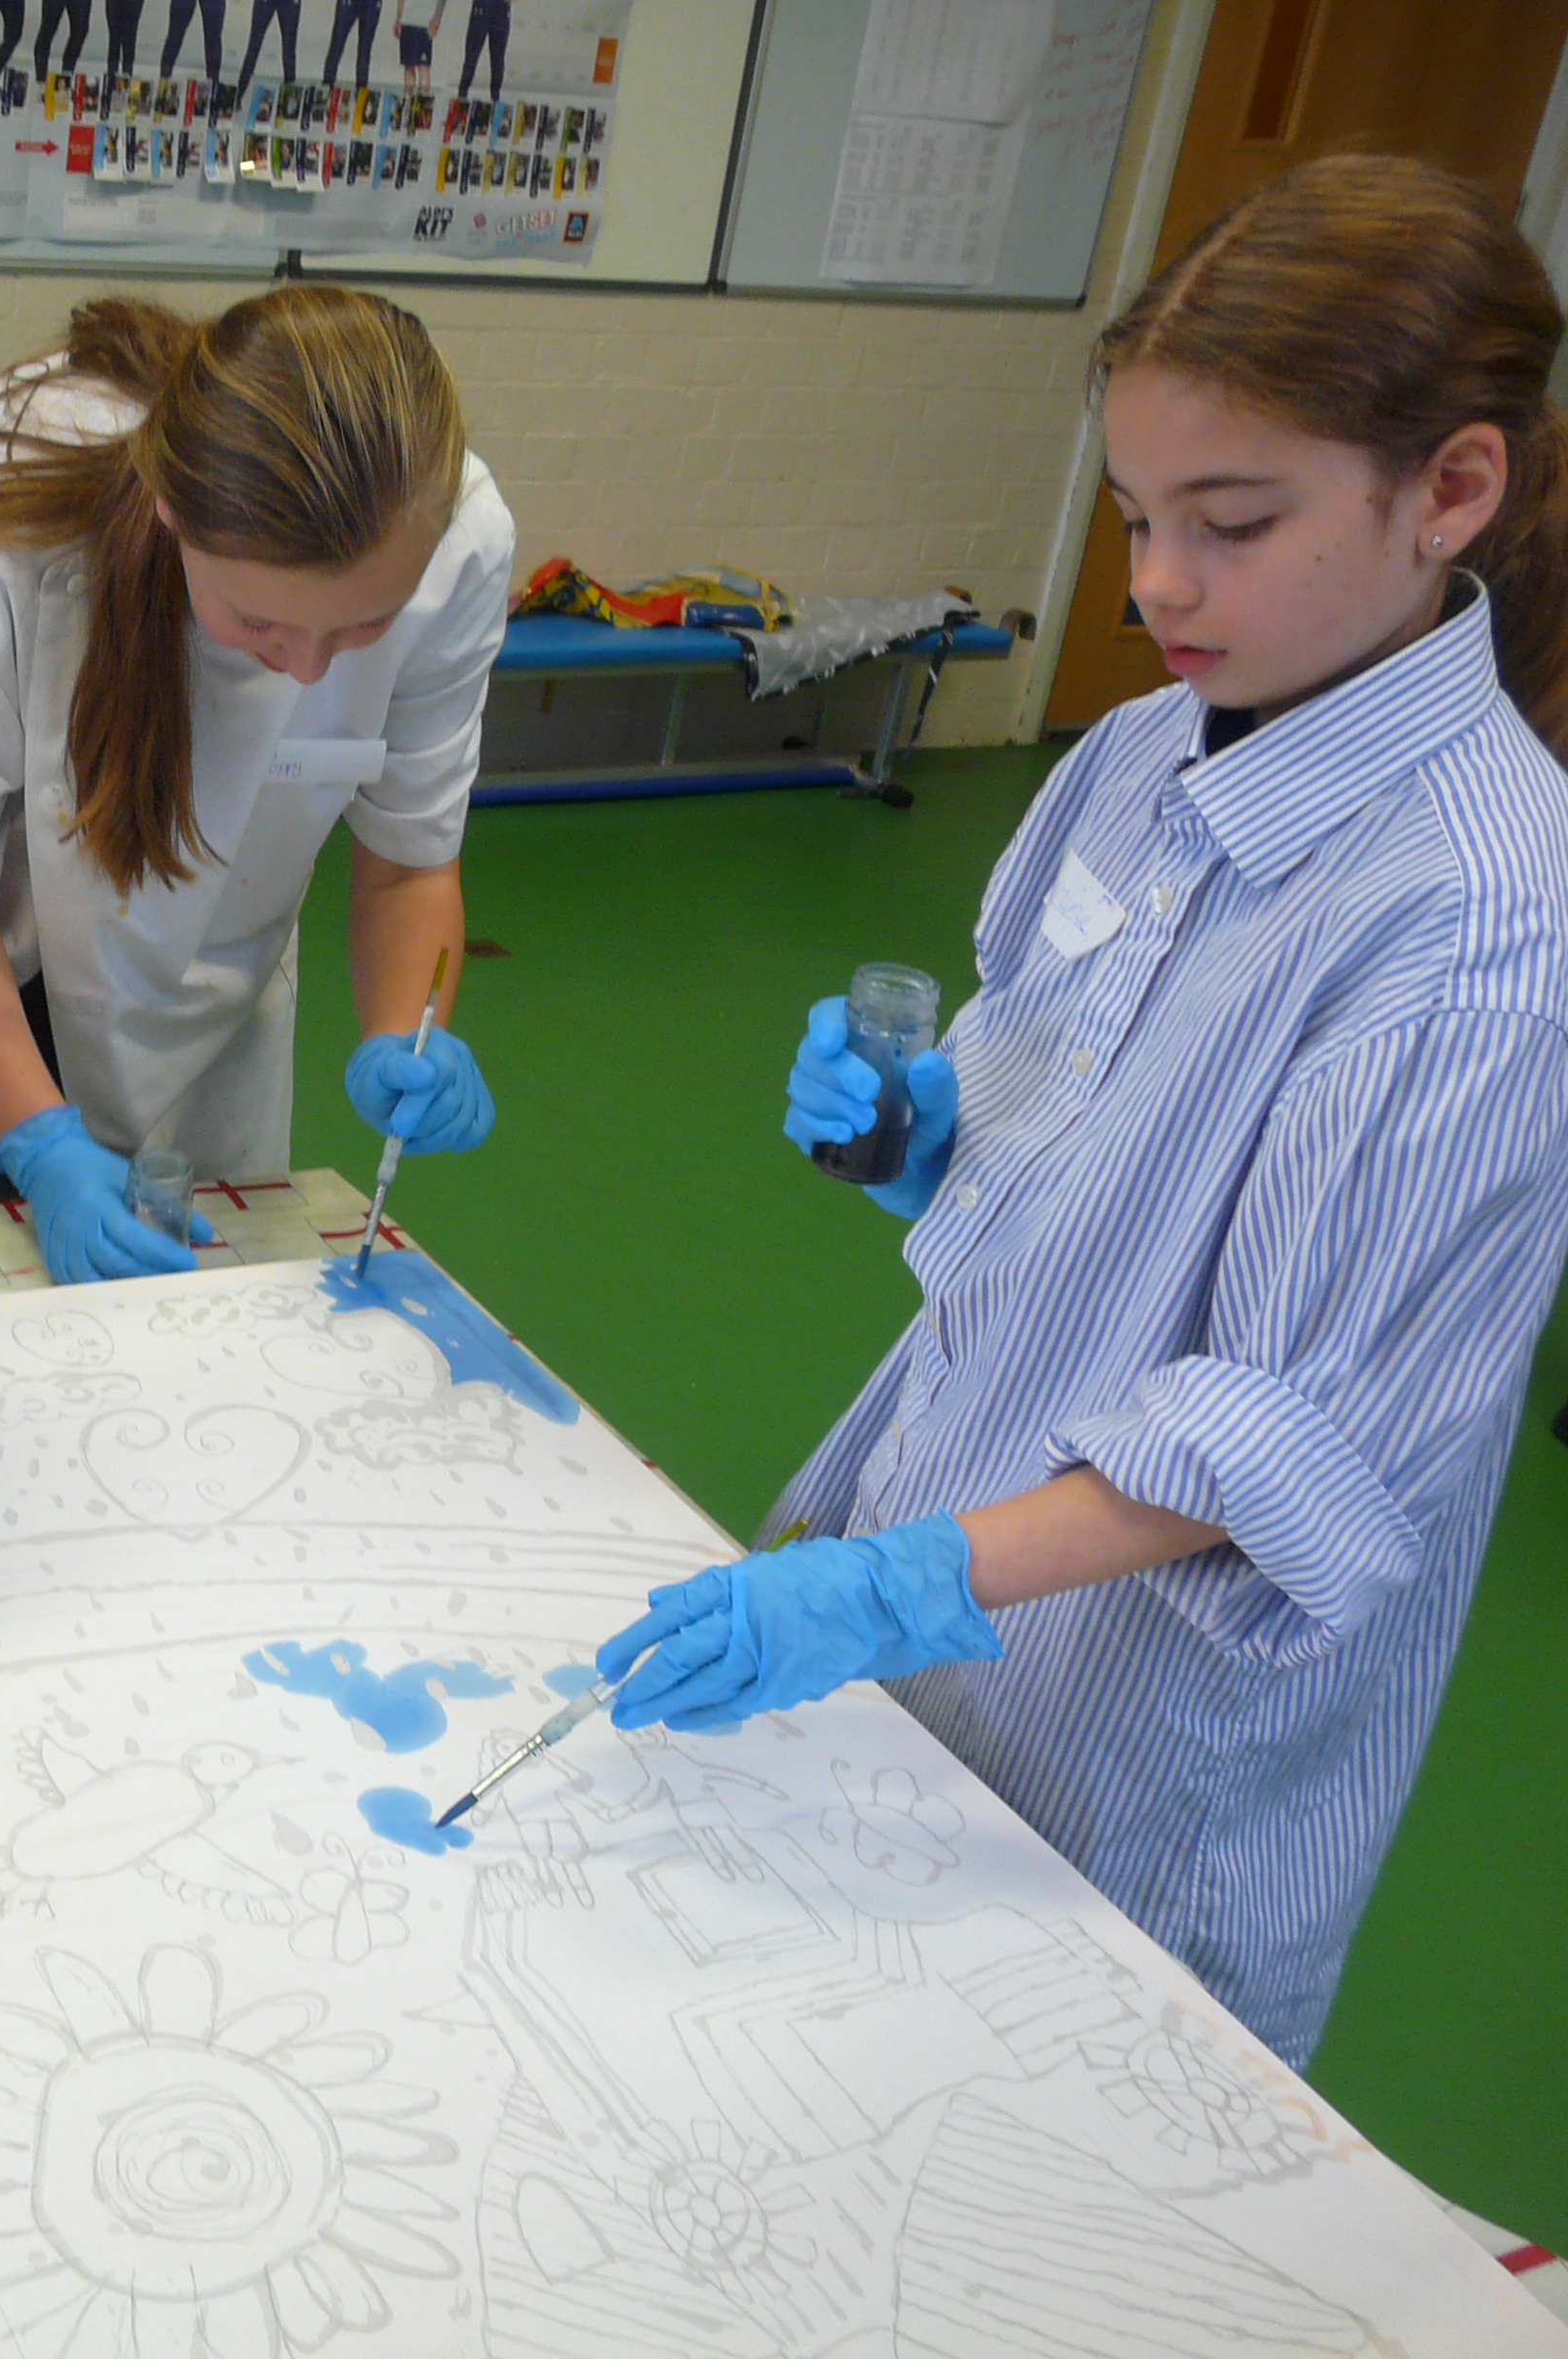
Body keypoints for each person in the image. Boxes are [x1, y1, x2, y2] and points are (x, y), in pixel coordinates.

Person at [598, 156, 1568, 2071]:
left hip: (1142, 1699)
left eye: (1232, 521)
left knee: (1064, 2114)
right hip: (964, 1520)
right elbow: (1054, 1082)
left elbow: (1287, 1442)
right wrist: (927, 1122)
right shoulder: (1139, 753)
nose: (1154, 587)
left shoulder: (1485, 934)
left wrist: (905, 1581)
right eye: (1135, 519)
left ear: (1452, 491)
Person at [0, 286, 513, 1286]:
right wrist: (40, 1145)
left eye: (364, 627)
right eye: (260, 623)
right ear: (171, 514)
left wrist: (405, 1034)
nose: (311, 672)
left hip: (191, 952)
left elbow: (410, 864)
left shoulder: (455, 537)